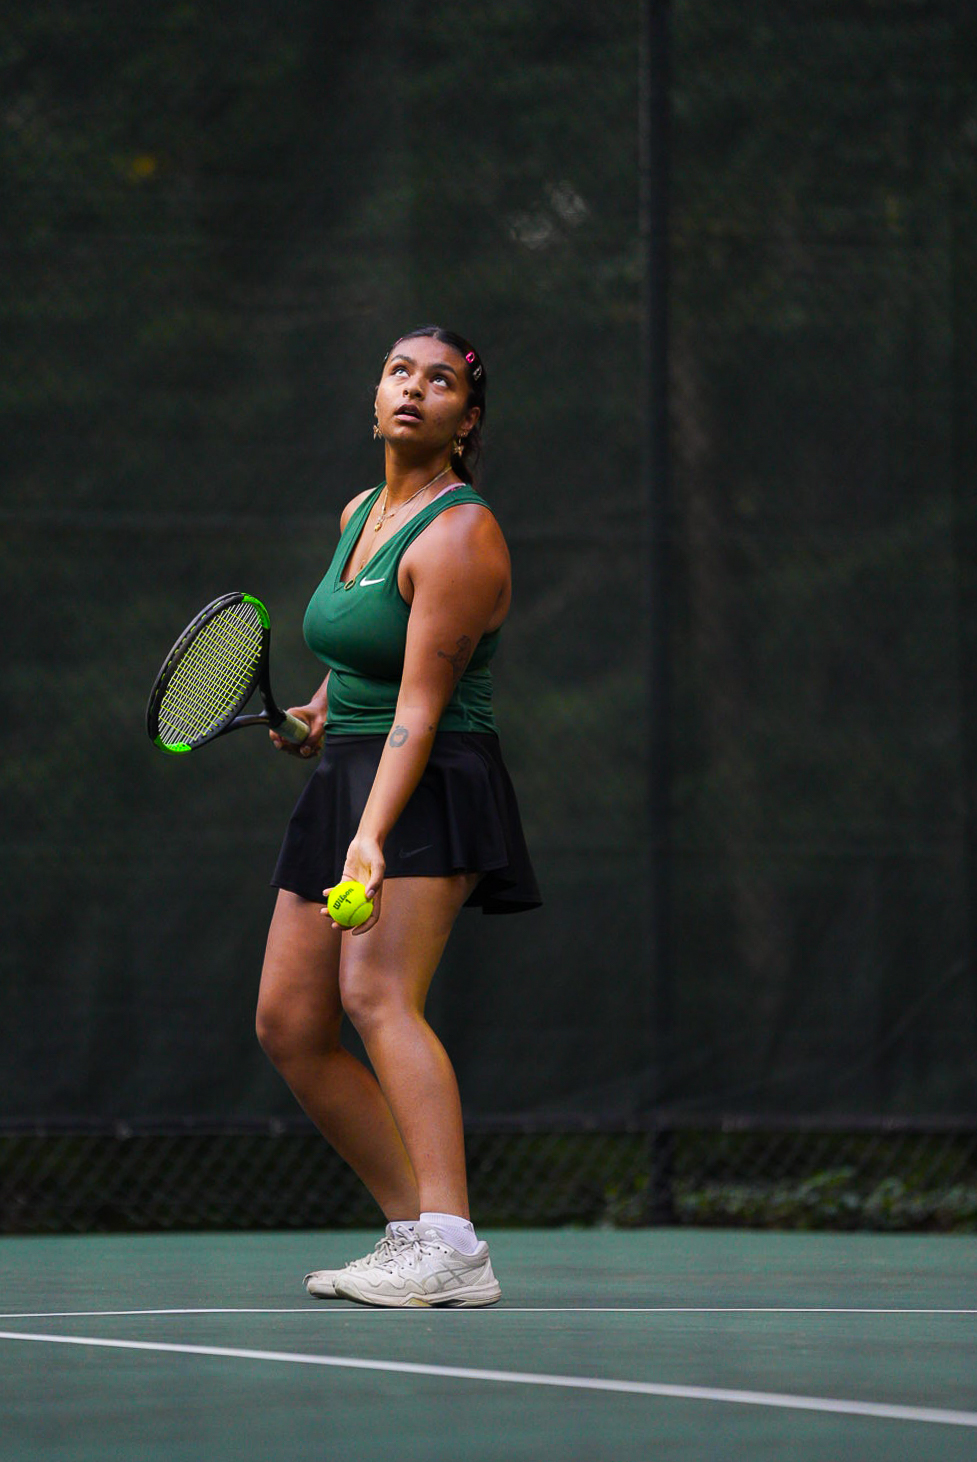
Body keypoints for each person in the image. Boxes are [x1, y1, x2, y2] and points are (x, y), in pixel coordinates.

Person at [255, 326, 541, 1308]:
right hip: (348, 772)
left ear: (467, 421)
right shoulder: (359, 513)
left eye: (441, 381)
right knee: (291, 1023)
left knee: (377, 996)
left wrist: (371, 837)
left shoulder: (463, 534)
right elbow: (358, 659)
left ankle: (455, 1244)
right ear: (374, 398)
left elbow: (419, 706)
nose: (413, 389)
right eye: (396, 372)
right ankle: (411, 1231)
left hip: (428, 778)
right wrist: (318, 712)